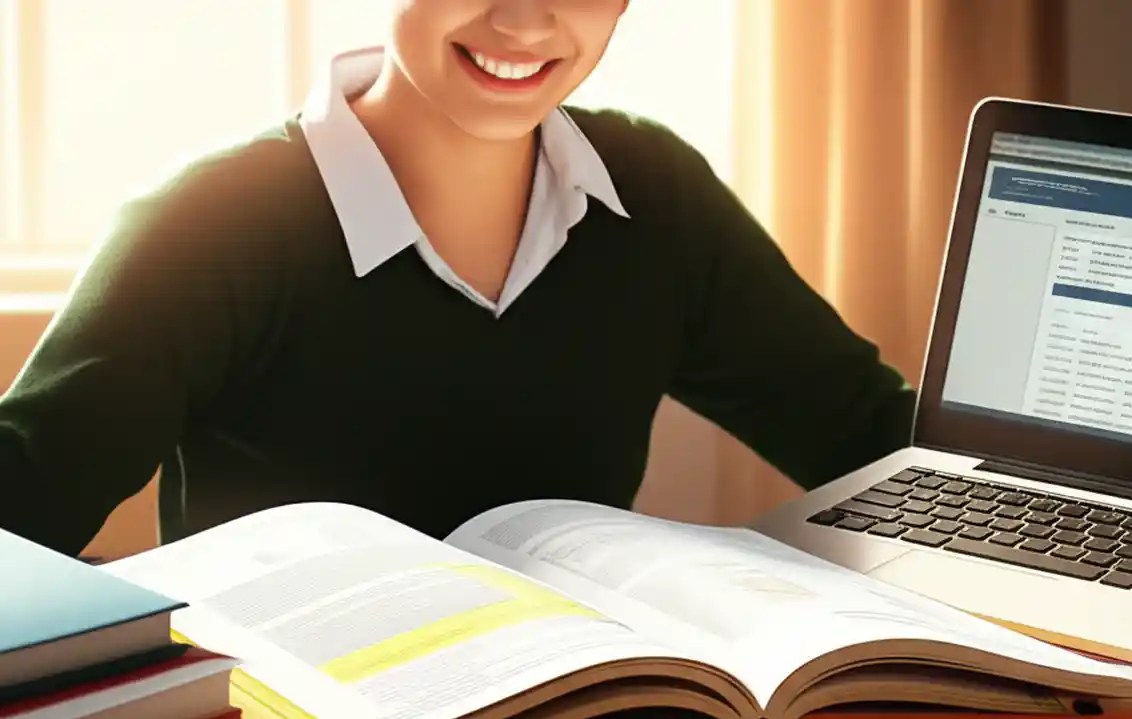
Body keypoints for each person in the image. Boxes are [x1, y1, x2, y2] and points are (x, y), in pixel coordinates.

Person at [0, 0, 915, 558]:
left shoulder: (655, 196)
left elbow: (865, 434)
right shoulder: (209, 223)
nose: (522, 21)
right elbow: (21, 509)